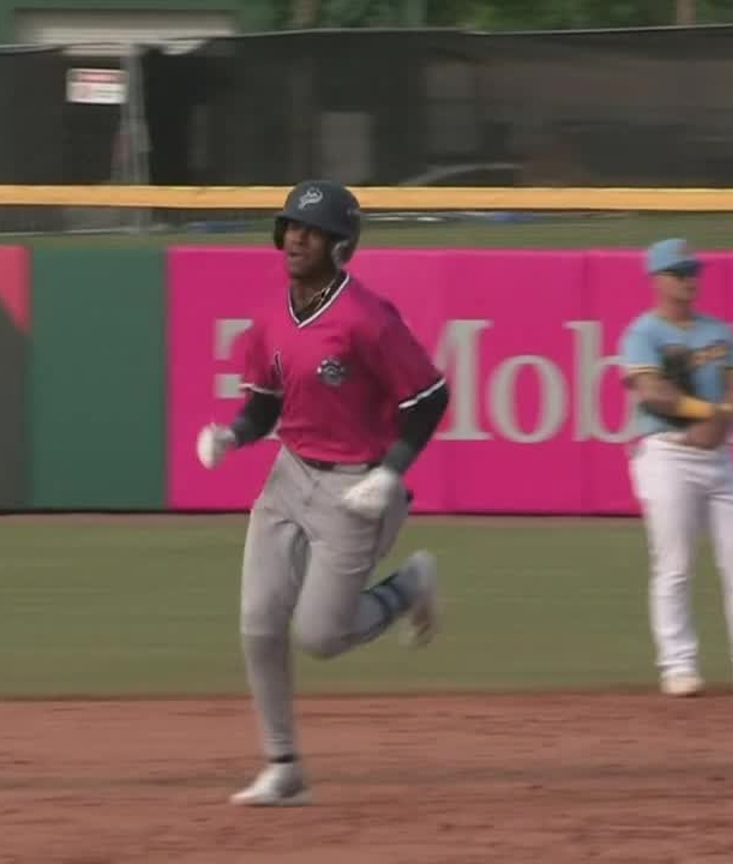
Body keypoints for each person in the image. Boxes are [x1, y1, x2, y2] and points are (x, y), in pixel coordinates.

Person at [195, 179, 449, 806]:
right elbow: (265, 403)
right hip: (289, 475)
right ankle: (283, 766)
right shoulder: (270, 320)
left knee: (321, 636)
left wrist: (389, 472)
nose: (297, 238)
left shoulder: (367, 318)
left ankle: (409, 586)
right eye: (291, 227)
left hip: (355, 484)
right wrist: (232, 435)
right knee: (258, 623)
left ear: (341, 245)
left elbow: (428, 399)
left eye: (313, 230)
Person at [617, 238, 733, 699]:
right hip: (666, 453)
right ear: (658, 278)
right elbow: (653, 393)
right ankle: (678, 665)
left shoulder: (720, 330)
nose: (689, 279)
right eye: (680, 272)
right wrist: (710, 413)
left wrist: (722, 418)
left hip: (719, 456)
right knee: (675, 564)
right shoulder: (643, 333)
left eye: (693, 270)